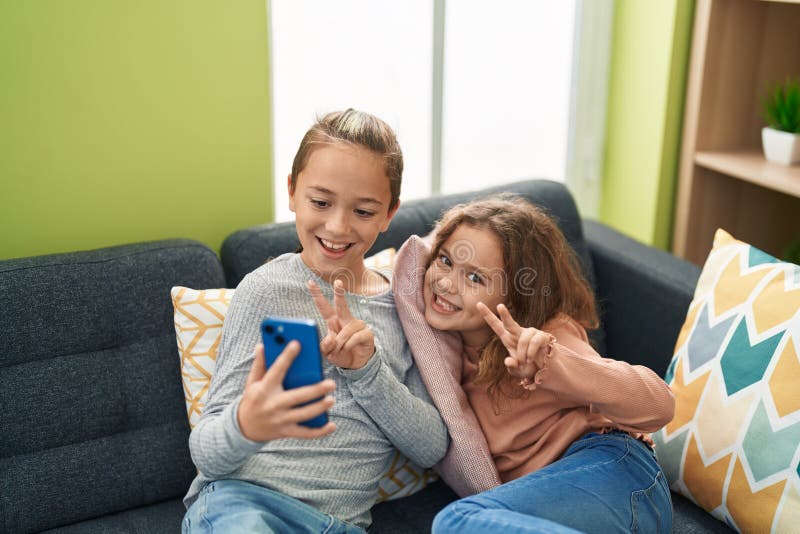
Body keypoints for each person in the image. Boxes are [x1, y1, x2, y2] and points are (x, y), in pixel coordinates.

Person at [182, 109, 448, 533]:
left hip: (341, 524)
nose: (338, 226)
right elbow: (206, 454)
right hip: (246, 504)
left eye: (364, 211)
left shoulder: (404, 306)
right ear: (292, 192)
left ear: (389, 214)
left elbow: (431, 447)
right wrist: (245, 425)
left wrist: (367, 371)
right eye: (321, 203)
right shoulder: (266, 289)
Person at [395, 196, 675, 533]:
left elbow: (661, 406)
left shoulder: (545, 338)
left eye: (475, 278)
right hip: (554, 506)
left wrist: (553, 365)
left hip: (617, 470)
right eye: (444, 260)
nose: (445, 282)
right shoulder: (441, 354)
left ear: (514, 297)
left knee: (456, 522)